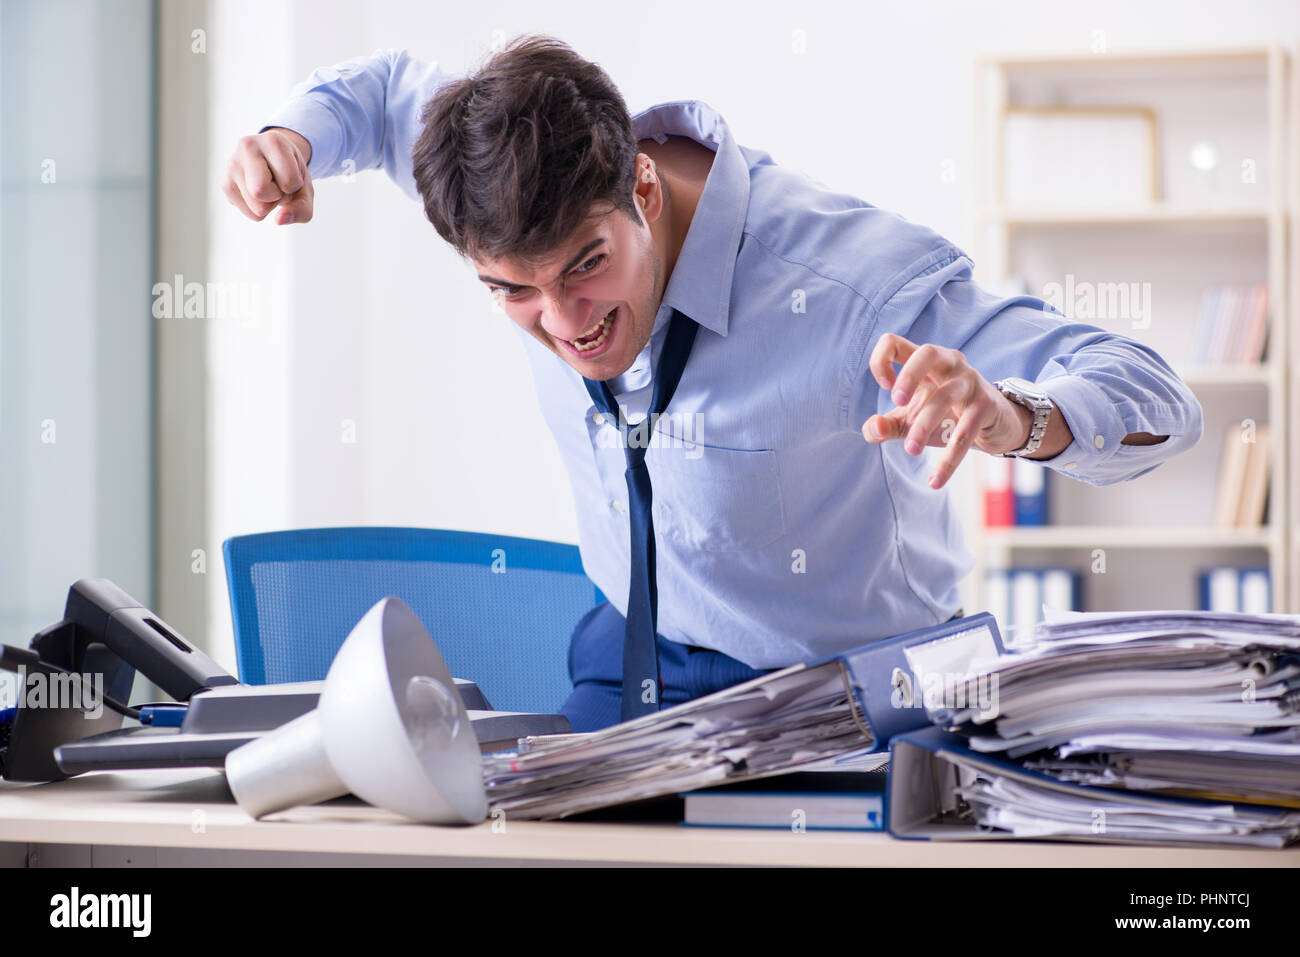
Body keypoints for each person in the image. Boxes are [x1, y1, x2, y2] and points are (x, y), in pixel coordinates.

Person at [221, 35, 1202, 732]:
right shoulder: (489, 178)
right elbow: (389, 91)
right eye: (512, 292)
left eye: (584, 267)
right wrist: (293, 138)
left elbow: (1158, 397)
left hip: (849, 695)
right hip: (627, 664)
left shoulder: (854, 286)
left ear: (641, 191)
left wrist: (1017, 417)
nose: (564, 325)